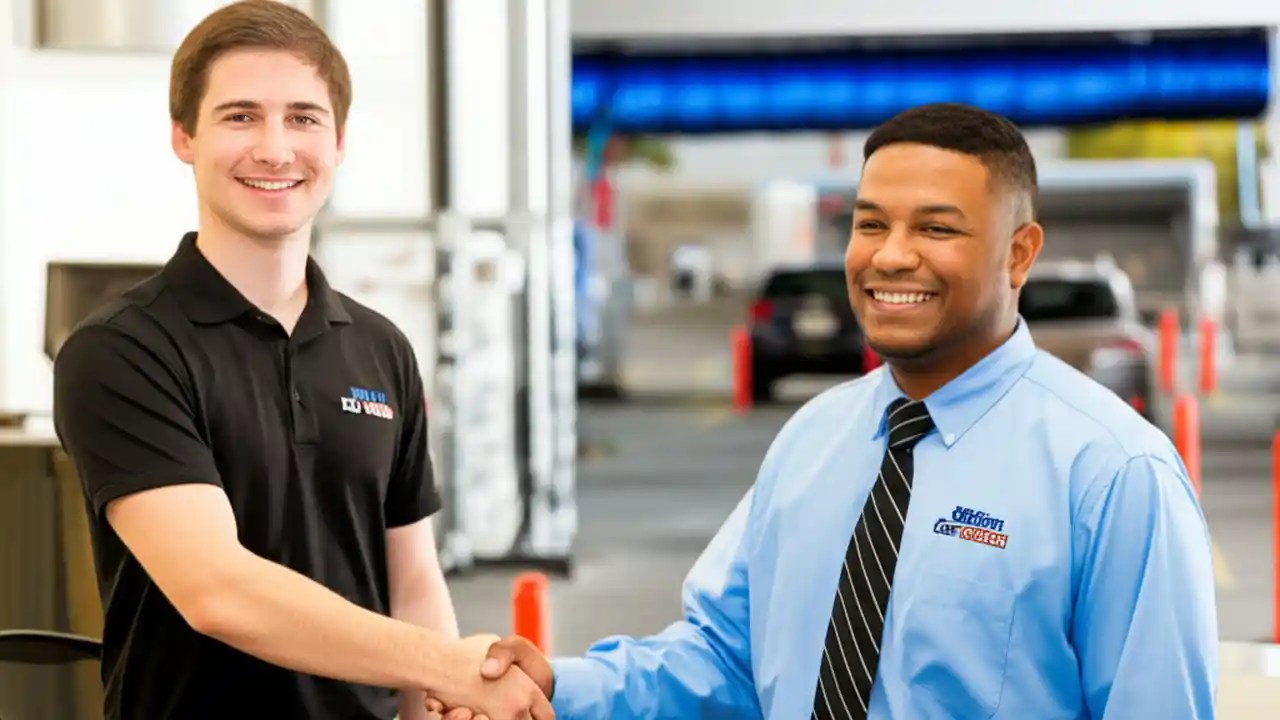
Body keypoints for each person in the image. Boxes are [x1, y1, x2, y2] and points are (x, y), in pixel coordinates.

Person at [433, 102, 1220, 718]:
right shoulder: (816, 437)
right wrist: (556, 688)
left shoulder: (1113, 474)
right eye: (870, 222)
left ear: (1019, 253)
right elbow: (726, 664)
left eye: (936, 228)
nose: (890, 254)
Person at [51, 2, 550, 719]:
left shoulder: (380, 348)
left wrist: (437, 699)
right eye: (240, 116)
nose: (276, 149)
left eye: (303, 118)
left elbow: (411, 579)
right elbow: (217, 591)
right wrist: (450, 662)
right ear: (183, 137)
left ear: (340, 140)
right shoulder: (122, 351)